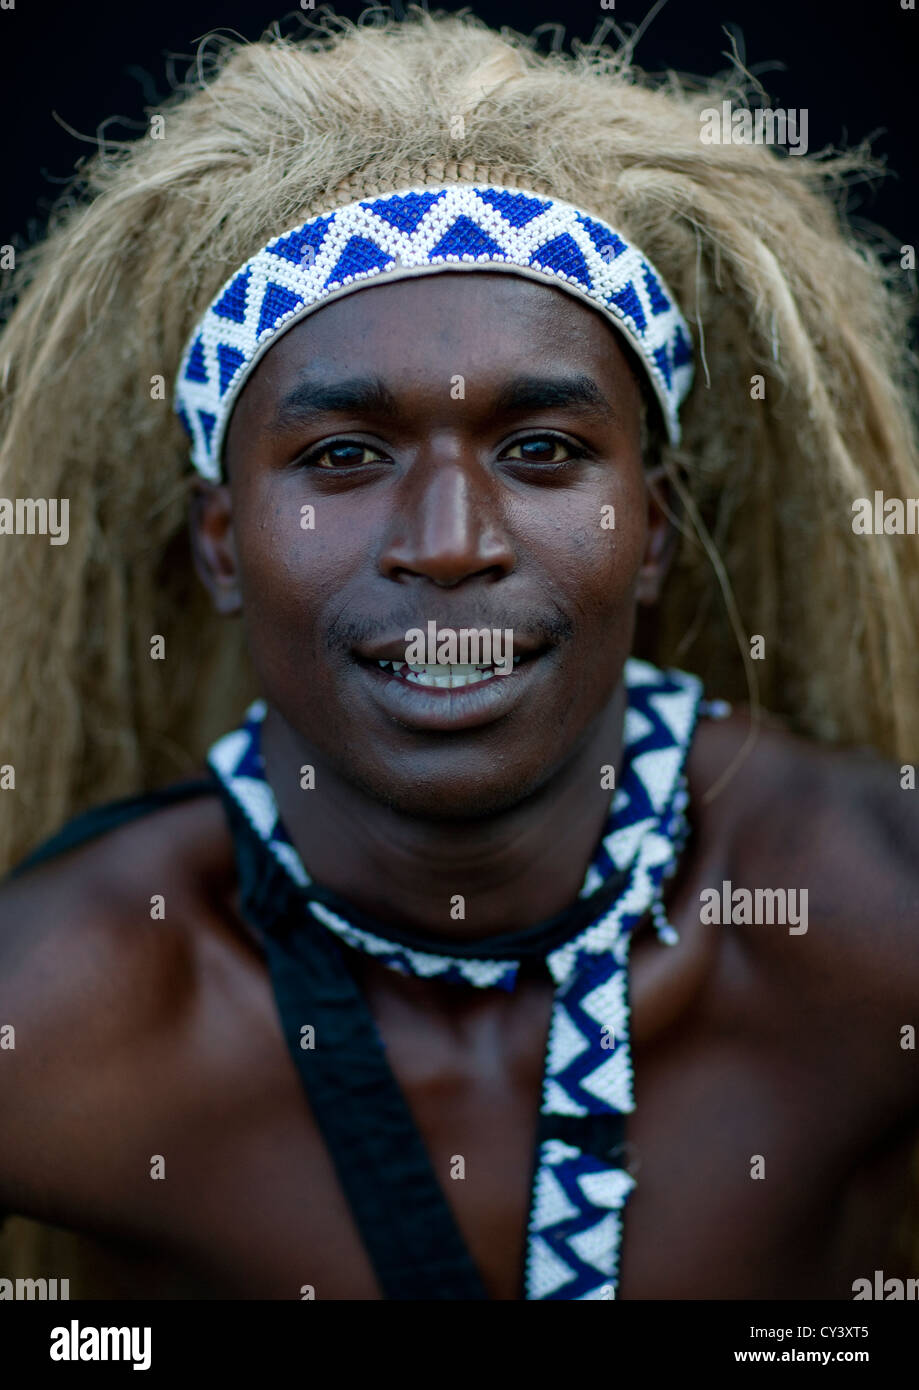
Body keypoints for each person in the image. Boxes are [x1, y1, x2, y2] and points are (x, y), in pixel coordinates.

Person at [0, 7, 917, 1301]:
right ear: (220, 542)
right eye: (344, 457)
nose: (447, 543)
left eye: (540, 450)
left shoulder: (871, 919)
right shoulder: (66, 1007)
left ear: (651, 533)